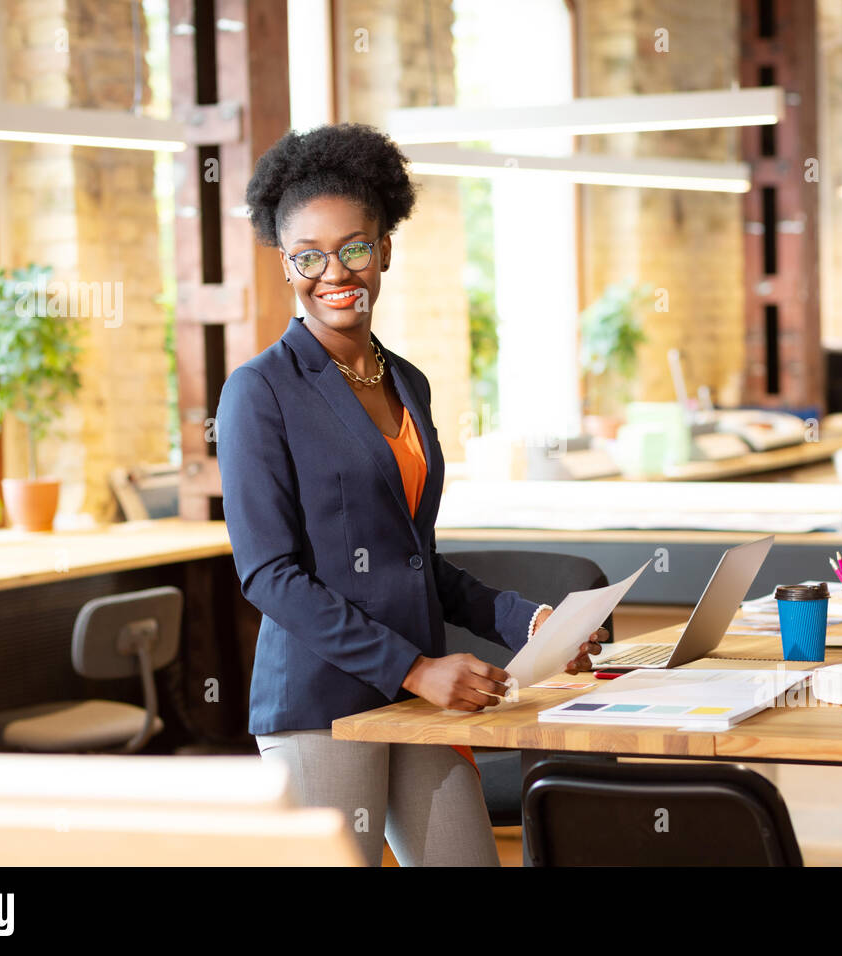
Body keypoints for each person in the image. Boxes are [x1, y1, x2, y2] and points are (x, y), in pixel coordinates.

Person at [217, 123, 606, 866]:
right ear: (285, 265)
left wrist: (529, 620)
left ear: (384, 250)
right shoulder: (259, 391)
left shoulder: (407, 382)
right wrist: (417, 668)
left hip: (414, 697)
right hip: (321, 705)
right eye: (309, 255)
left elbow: (415, 559)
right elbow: (269, 576)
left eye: (354, 248)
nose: (334, 271)